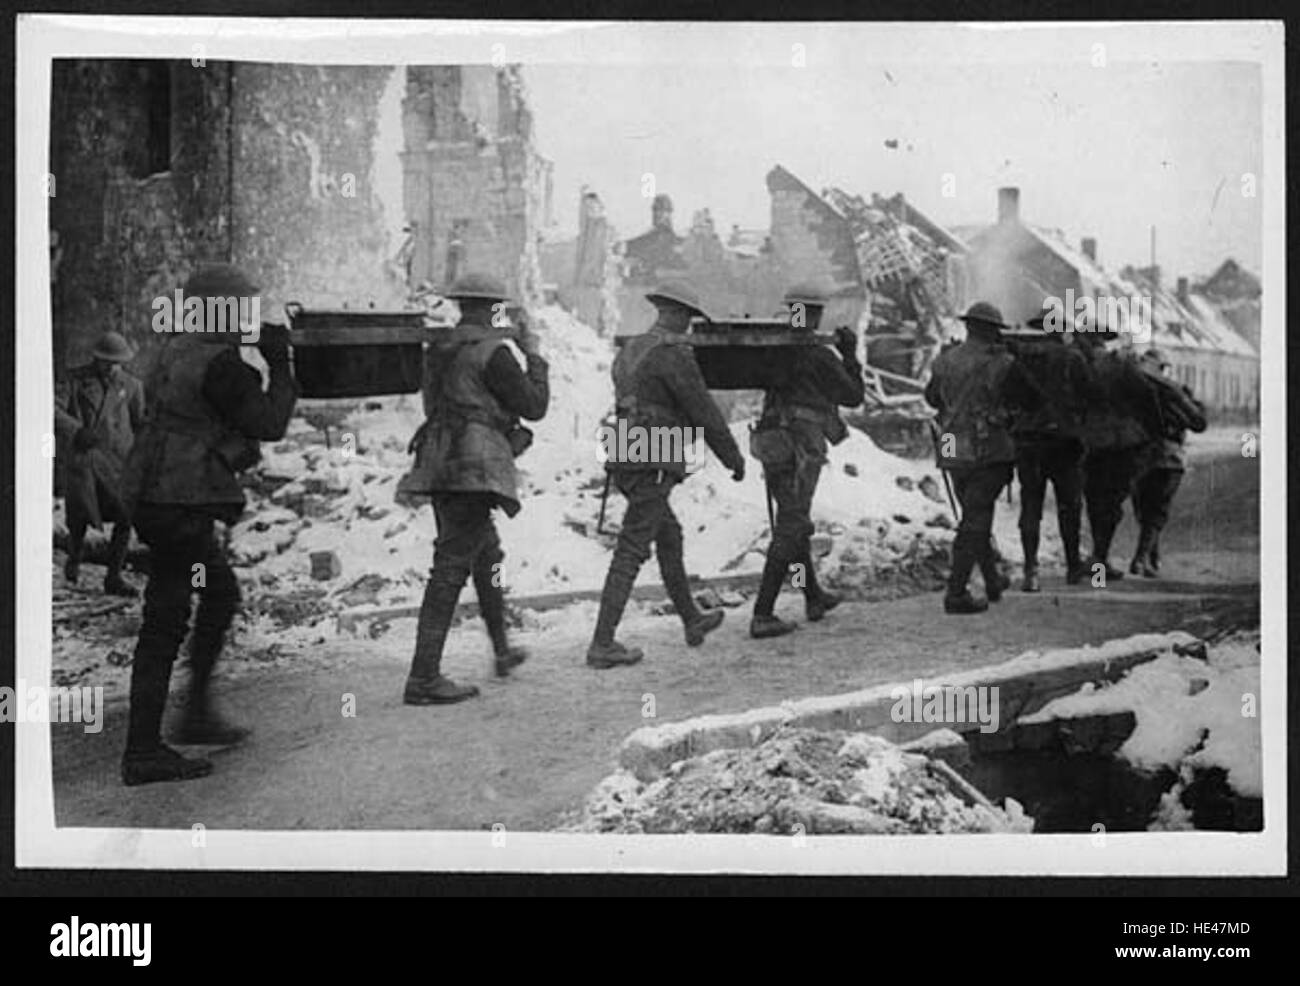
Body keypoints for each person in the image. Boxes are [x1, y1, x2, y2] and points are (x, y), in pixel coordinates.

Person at [118, 263, 298, 785]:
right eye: (240, 304)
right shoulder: (222, 365)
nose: (246, 313)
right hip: (181, 501)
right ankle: (144, 750)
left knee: (217, 591)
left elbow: (189, 416)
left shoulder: (175, 345)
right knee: (167, 618)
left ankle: (194, 714)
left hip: (153, 494)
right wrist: (280, 363)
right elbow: (270, 423)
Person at [398, 273, 549, 705]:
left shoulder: (441, 348)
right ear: (495, 308)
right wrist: (534, 353)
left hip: (439, 462)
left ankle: (501, 651)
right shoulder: (494, 353)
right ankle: (423, 678)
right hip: (473, 468)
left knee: (486, 556)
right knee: (450, 567)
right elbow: (535, 407)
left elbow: (435, 406)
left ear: (464, 305)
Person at [586, 280, 745, 668]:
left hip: (624, 449)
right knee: (632, 548)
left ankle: (692, 619)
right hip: (653, 453)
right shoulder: (673, 354)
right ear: (673, 314)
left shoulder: (629, 350)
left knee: (668, 535)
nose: (688, 327)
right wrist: (732, 457)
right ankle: (602, 644)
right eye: (687, 319)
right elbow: (702, 409)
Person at [748, 282, 864, 638]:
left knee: (793, 520)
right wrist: (850, 355)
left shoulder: (773, 351)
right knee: (791, 524)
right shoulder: (818, 355)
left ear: (790, 310)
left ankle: (812, 596)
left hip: (772, 443)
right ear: (815, 314)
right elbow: (853, 396)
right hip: (801, 446)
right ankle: (763, 614)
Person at [924, 302, 1039, 614]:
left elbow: (931, 398)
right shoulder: (1003, 363)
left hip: (951, 442)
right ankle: (956, 592)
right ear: (993, 331)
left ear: (969, 327)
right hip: (989, 445)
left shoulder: (945, 359)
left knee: (974, 512)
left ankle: (991, 579)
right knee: (976, 517)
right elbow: (1031, 398)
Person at [54, 331, 146, 596]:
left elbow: (140, 424)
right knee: (79, 515)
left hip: (119, 464)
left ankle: (114, 576)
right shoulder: (76, 380)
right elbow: (53, 409)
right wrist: (76, 430)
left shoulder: (132, 386)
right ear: (96, 359)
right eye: (107, 362)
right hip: (85, 461)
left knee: (125, 517)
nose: (112, 367)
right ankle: (73, 559)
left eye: (117, 362)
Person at [1008, 310, 1092, 590]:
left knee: (1030, 505)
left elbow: (1012, 397)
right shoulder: (1073, 358)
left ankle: (1031, 571)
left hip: (1029, 441)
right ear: (1063, 330)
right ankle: (1072, 568)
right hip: (1064, 443)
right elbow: (1089, 396)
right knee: (1070, 505)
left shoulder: (1022, 357)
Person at [1076, 325, 1163, 582]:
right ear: (1104, 341)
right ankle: (1100, 558)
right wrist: (1151, 429)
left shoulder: (1081, 365)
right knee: (1112, 501)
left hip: (1092, 441)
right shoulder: (1121, 364)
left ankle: (1099, 558)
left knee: (1094, 499)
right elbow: (1148, 394)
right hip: (1123, 442)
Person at [1129, 347, 1207, 576]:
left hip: (1138, 458)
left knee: (1145, 512)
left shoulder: (1132, 391)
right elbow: (1199, 423)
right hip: (1168, 458)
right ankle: (1141, 559)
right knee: (1156, 512)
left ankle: (1151, 560)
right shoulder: (1174, 392)